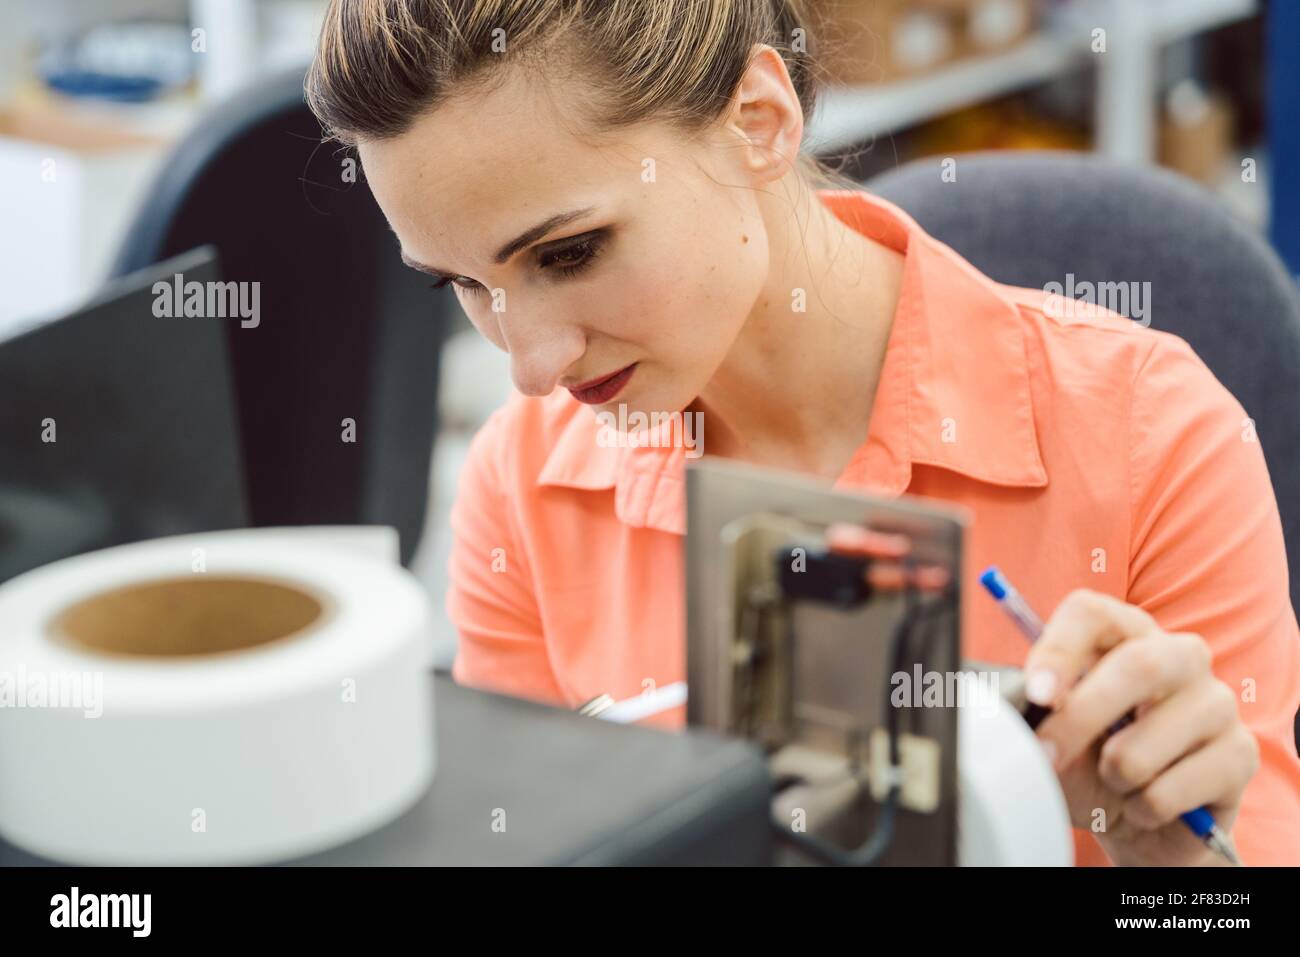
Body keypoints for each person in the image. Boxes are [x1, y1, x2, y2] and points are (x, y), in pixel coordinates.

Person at [305, 0, 1300, 866]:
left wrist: (1170, 860)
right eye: (461, 286)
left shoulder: (1152, 436)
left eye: (569, 253)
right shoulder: (523, 485)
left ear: (756, 122)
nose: (531, 366)